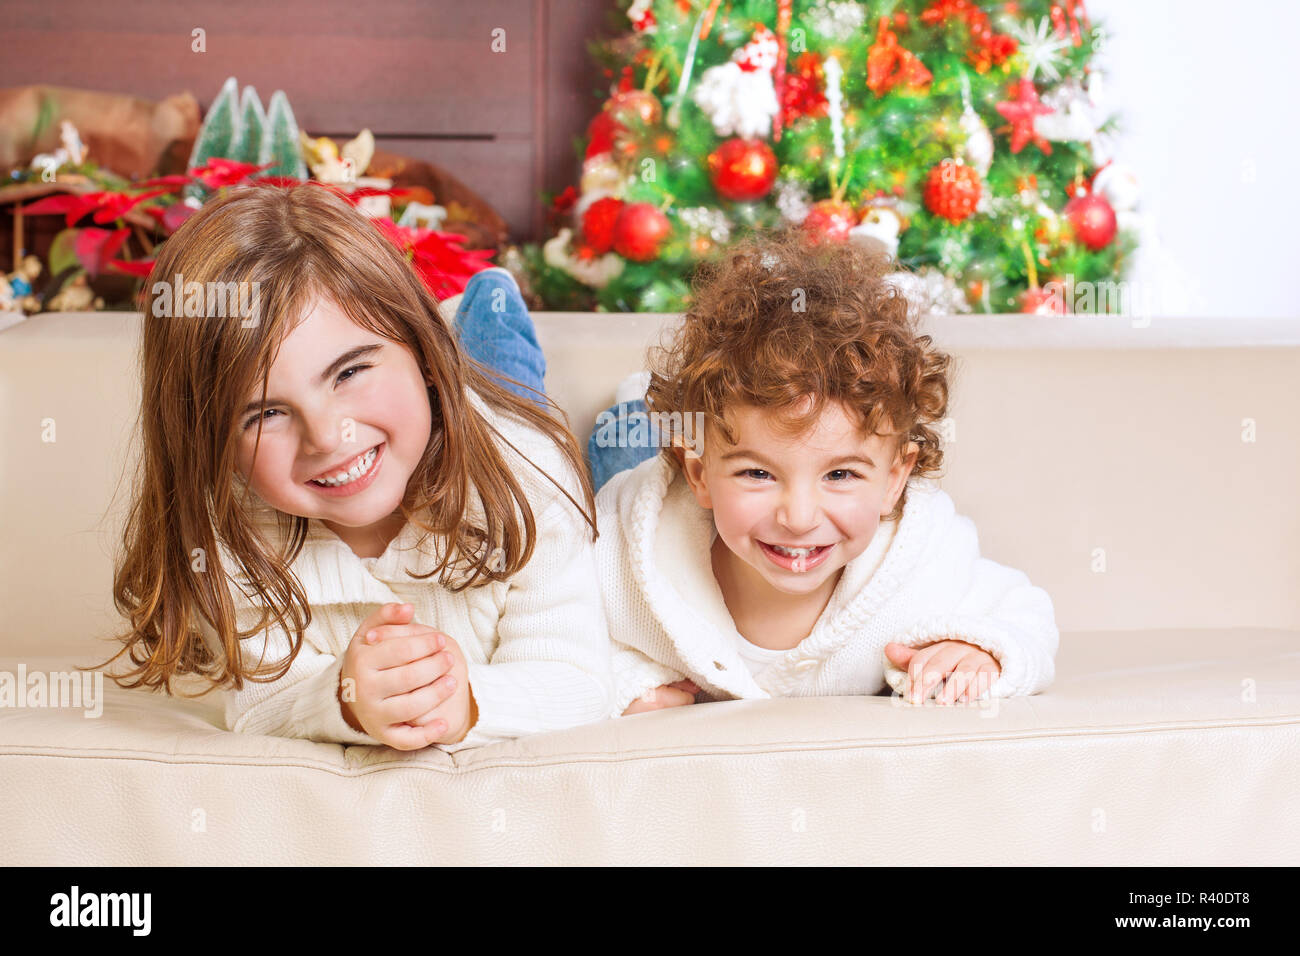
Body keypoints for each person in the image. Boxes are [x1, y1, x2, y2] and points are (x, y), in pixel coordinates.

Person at [106, 181, 612, 752]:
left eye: (348, 373)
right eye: (266, 412)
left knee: (528, 402)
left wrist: (465, 700)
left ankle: (483, 318)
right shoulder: (224, 532)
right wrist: (344, 696)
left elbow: (579, 680)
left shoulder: (531, 470)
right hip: (433, 407)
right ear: (210, 445)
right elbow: (263, 703)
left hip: (482, 423)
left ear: (422, 351)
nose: (327, 437)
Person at [590, 230, 1060, 716]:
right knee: (626, 448)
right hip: (647, 475)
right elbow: (551, 634)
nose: (798, 517)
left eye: (840, 476)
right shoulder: (628, 552)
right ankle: (633, 409)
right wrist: (618, 686)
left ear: (895, 480)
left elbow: (1026, 615)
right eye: (757, 473)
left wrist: (982, 651)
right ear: (699, 474)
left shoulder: (921, 565)